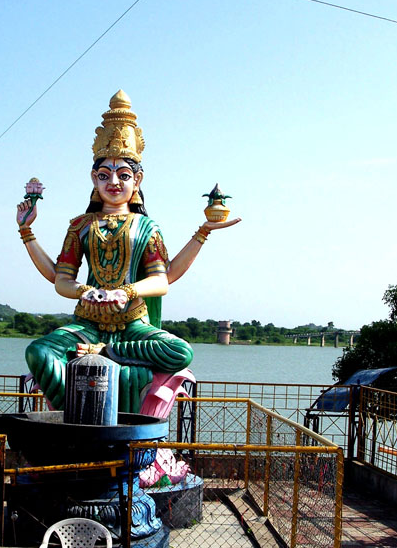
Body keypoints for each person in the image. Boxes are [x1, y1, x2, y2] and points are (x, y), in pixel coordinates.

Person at [16, 90, 240, 413]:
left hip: (132, 325)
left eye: (123, 175)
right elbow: (60, 278)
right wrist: (29, 234)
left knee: (179, 351)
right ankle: (75, 417)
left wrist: (127, 291)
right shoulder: (81, 225)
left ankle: (106, 352)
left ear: (138, 179)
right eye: (105, 175)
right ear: (94, 178)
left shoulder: (146, 227)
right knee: (38, 352)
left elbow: (163, 279)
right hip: (87, 322)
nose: (114, 183)